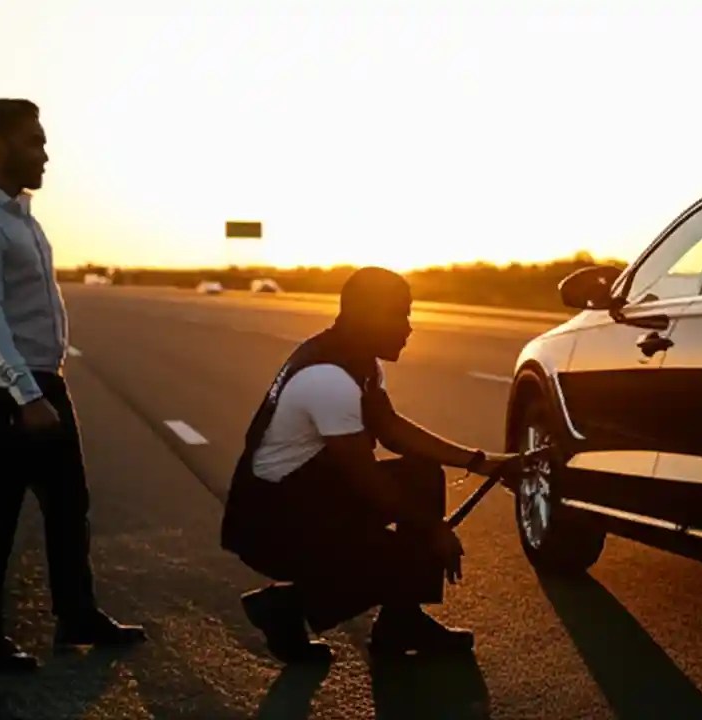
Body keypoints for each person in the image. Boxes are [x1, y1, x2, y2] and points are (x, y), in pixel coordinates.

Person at [221, 266, 526, 663]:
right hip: (271, 525)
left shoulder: (356, 360)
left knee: (421, 476)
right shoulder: (328, 378)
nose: (409, 328)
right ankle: (285, 608)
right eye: (401, 314)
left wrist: (480, 462)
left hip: (307, 499)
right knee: (403, 553)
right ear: (369, 316)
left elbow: (392, 430)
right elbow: (365, 479)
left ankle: (400, 623)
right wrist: (433, 531)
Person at [0, 99, 145, 672]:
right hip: (6, 388)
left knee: (68, 504)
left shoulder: (16, 216)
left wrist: (41, 386)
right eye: (34, 141)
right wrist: (25, 395)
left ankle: (77, 615)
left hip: (37, 381)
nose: (46, 153)